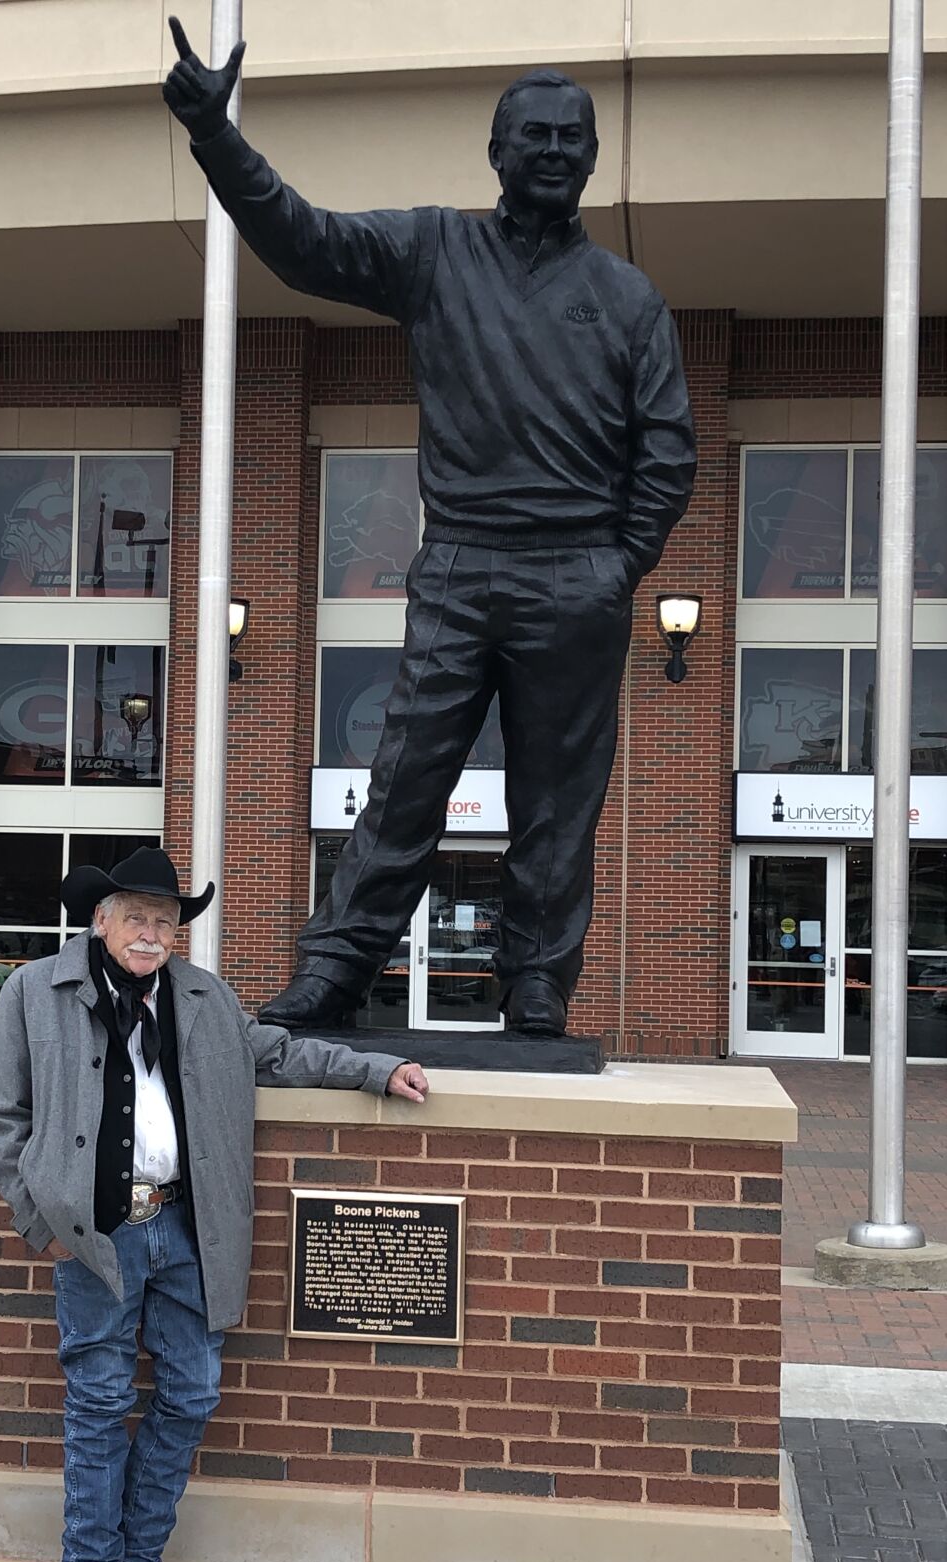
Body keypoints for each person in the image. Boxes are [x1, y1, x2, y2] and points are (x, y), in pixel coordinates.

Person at [163, 21, 697, 1038]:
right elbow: (301, 239)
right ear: (494, 152)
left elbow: (666, 448)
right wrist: (213, 135)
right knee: (403, 780)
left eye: (567, 137)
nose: (549, 150)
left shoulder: (628, 300)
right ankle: (335, 967)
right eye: (529, 134)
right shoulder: (431, 251)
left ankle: (537, 978)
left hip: (575, 576)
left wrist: (616, 568)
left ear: (590, 157)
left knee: (556, 801)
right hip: (457, 568)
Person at [0, 847, 428, 1562]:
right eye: (137, 918)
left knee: (189, 1393)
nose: (152, 934)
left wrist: (377, 1069)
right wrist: (37, 1222)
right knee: (99, 1402)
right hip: (94, 1236)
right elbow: (2, 1119)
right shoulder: (31, 993)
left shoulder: (203, 998)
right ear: (101, 921)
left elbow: (282, 1053)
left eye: (165, 921)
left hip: (186, 1229)